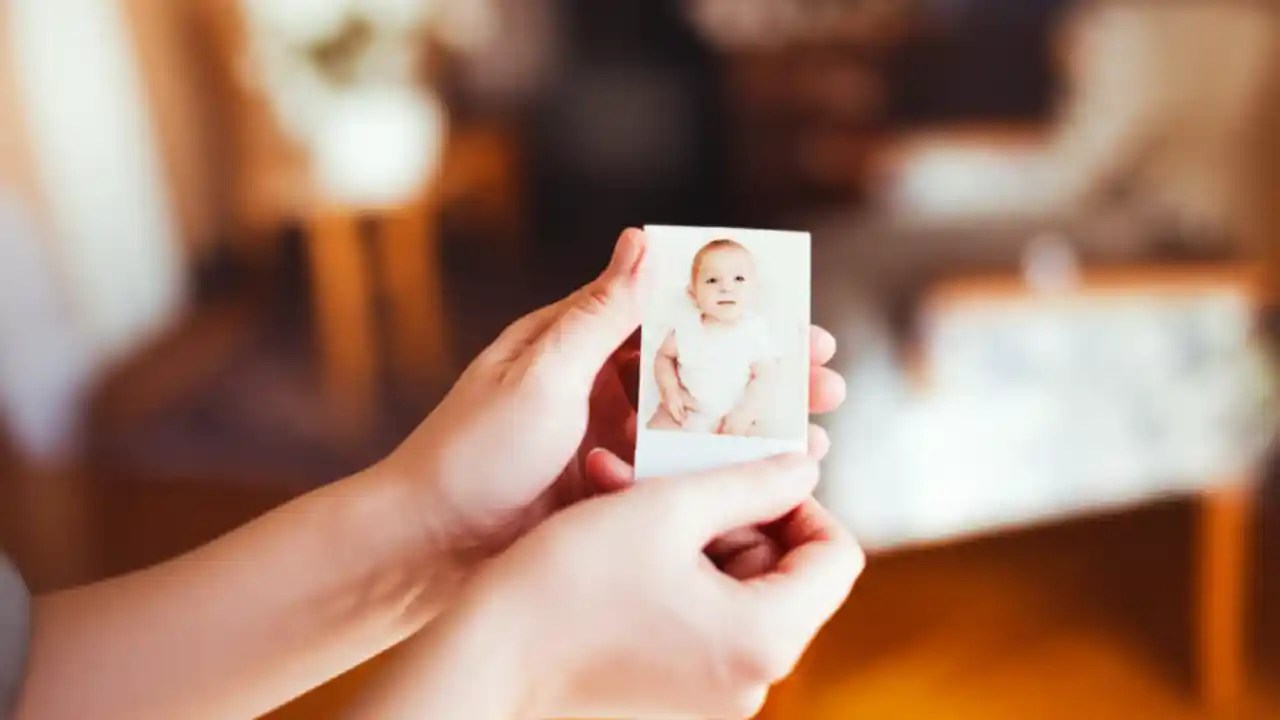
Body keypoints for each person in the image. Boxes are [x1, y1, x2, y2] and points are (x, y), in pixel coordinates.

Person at [2, 229, 861, 720]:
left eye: (738, 279)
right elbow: (669, 367)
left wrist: (431, 522)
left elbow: (22, 677)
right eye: (713, 276)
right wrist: (524, 659)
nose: (724, 288)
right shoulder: (679, 337)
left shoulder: (755, 336)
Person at [649, 238, 778, 436]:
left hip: (733, 415)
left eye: (739, 279)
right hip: (688, 410)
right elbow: (663, 357)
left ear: (755, 291)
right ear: (693, 295)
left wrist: (745, 412)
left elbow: (766, 377)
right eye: (712, 280)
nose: (726, 287)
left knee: (762, 438)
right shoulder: (686, 328)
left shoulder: (753, 330)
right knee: (656, 428)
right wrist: (670, 392)